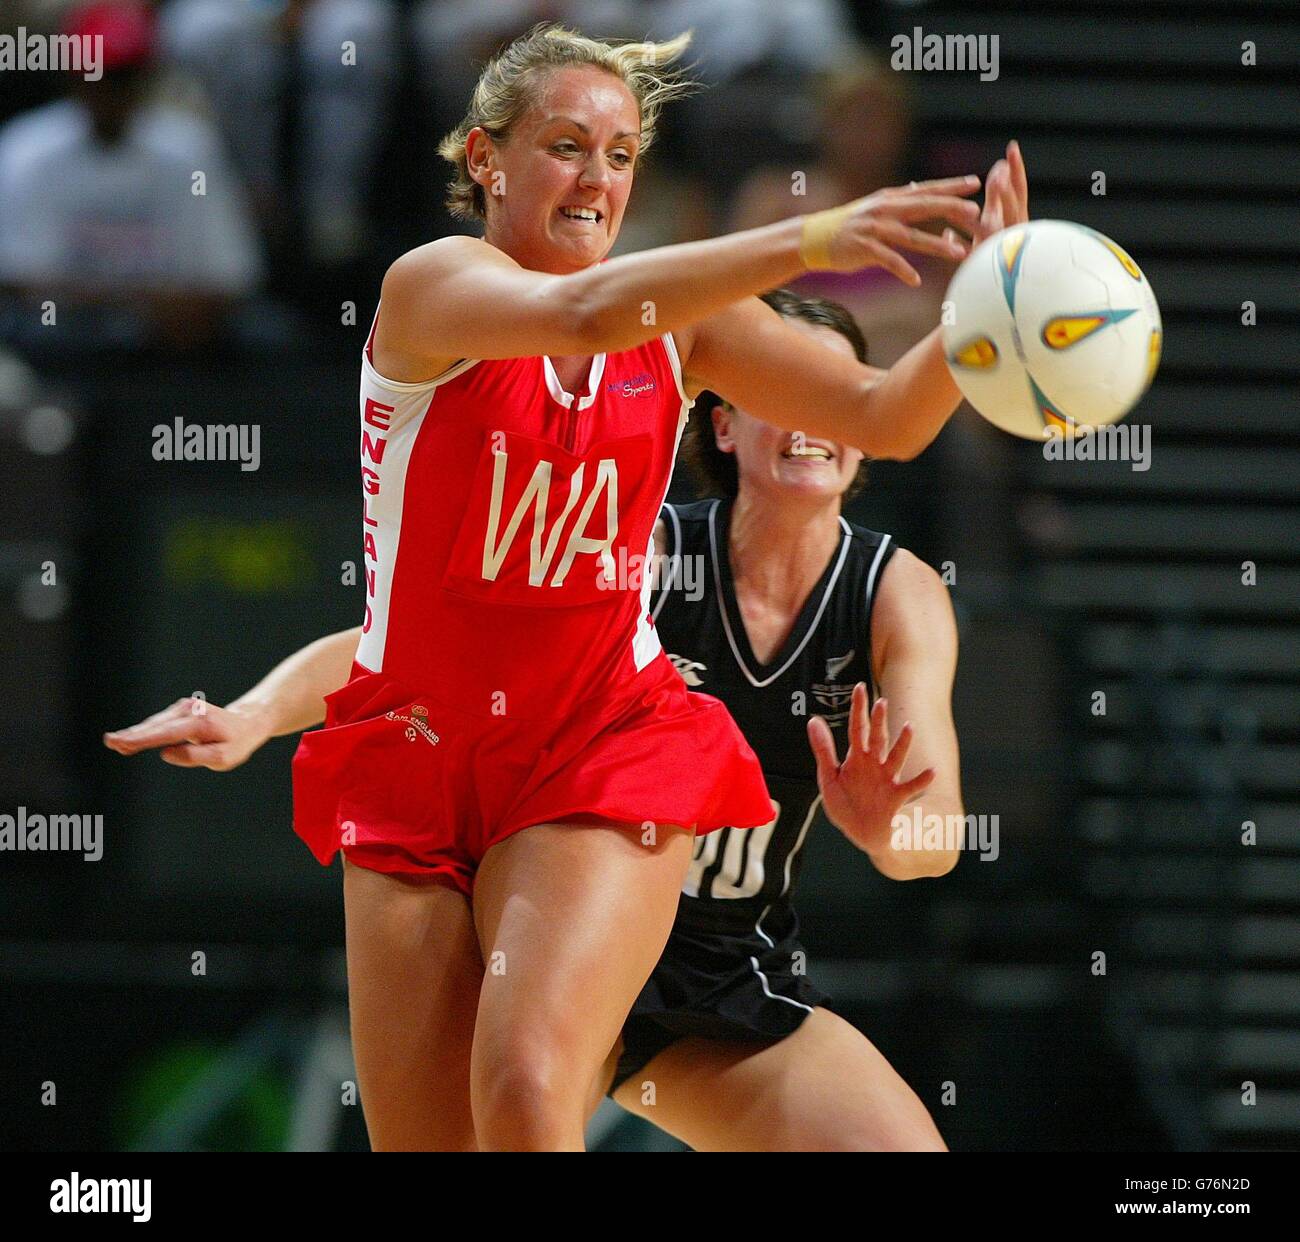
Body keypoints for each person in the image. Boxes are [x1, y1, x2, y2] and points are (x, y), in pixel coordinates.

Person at [106, 22, 1026, 1150]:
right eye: (566, 145)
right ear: (485, 160)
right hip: (414, 749)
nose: (598, 177)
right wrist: (814, 235)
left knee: (532, 1080)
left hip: (598, 740)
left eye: (623, 153)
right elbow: (582, 316)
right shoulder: (431, 289)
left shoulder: (684, 329)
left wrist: (988, 314)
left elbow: (883, 415)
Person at [0, 1, 263, 353]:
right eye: (95, 74)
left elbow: (231, 276)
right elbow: (19, 279)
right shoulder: (27, 147)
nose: (110, 91)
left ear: (146, 78)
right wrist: (133, 303)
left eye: (123, 76)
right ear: (73, 77)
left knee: (261, 332)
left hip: (167, 344)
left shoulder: (189, 148)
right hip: (61, 341)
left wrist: (141, 307)